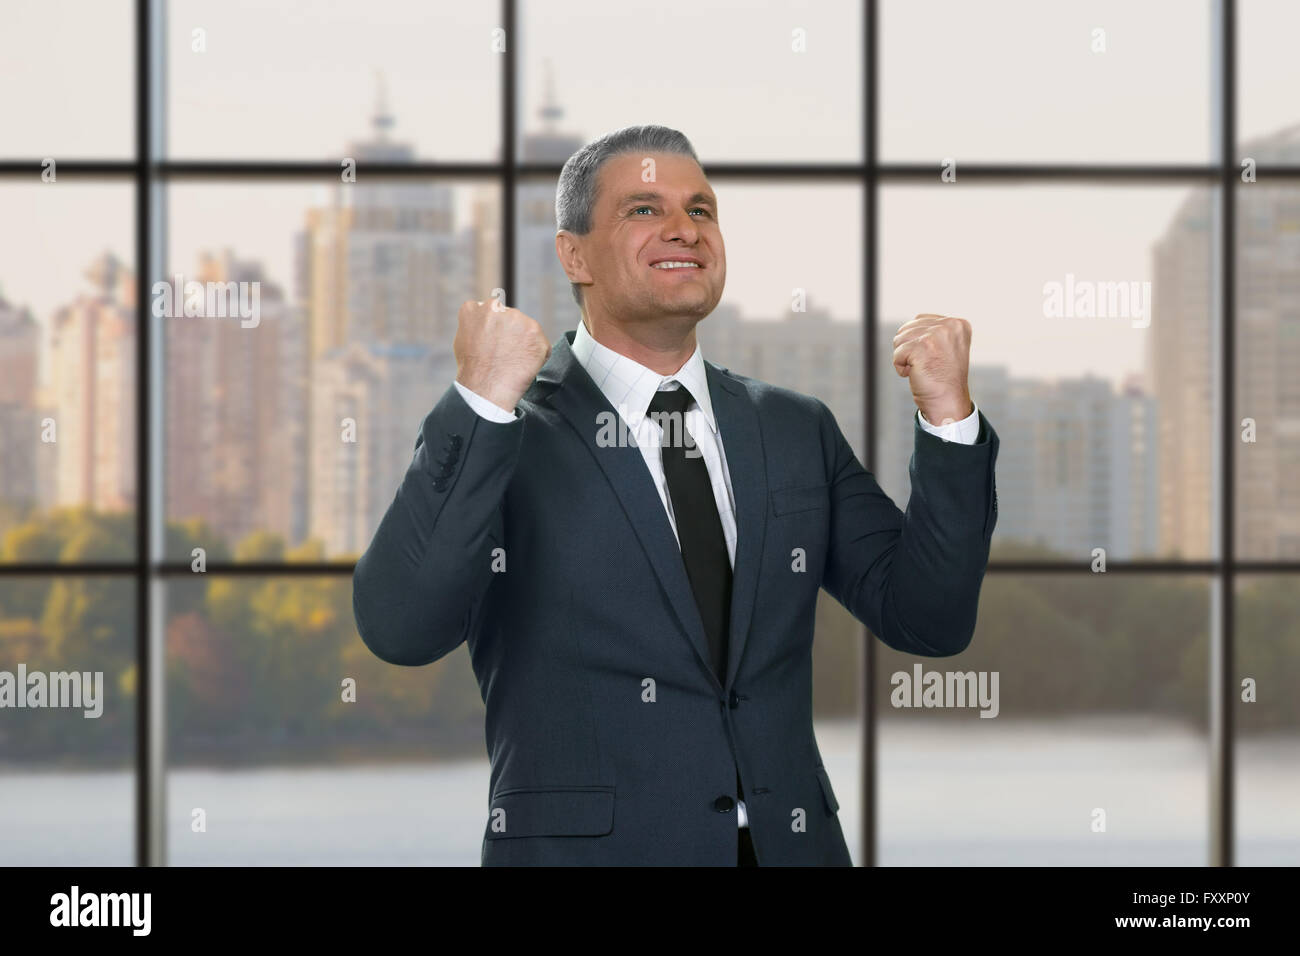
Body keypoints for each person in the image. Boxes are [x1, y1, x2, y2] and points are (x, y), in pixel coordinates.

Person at [352, 124, 999, 866]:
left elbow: (931, 619)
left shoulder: (793, 427)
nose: (683, 230)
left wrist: (948, 416)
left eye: (701, 210)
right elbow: (399, 629)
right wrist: (479, 400)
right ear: (573, 254)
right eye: (643, 210)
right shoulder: (510, 430)